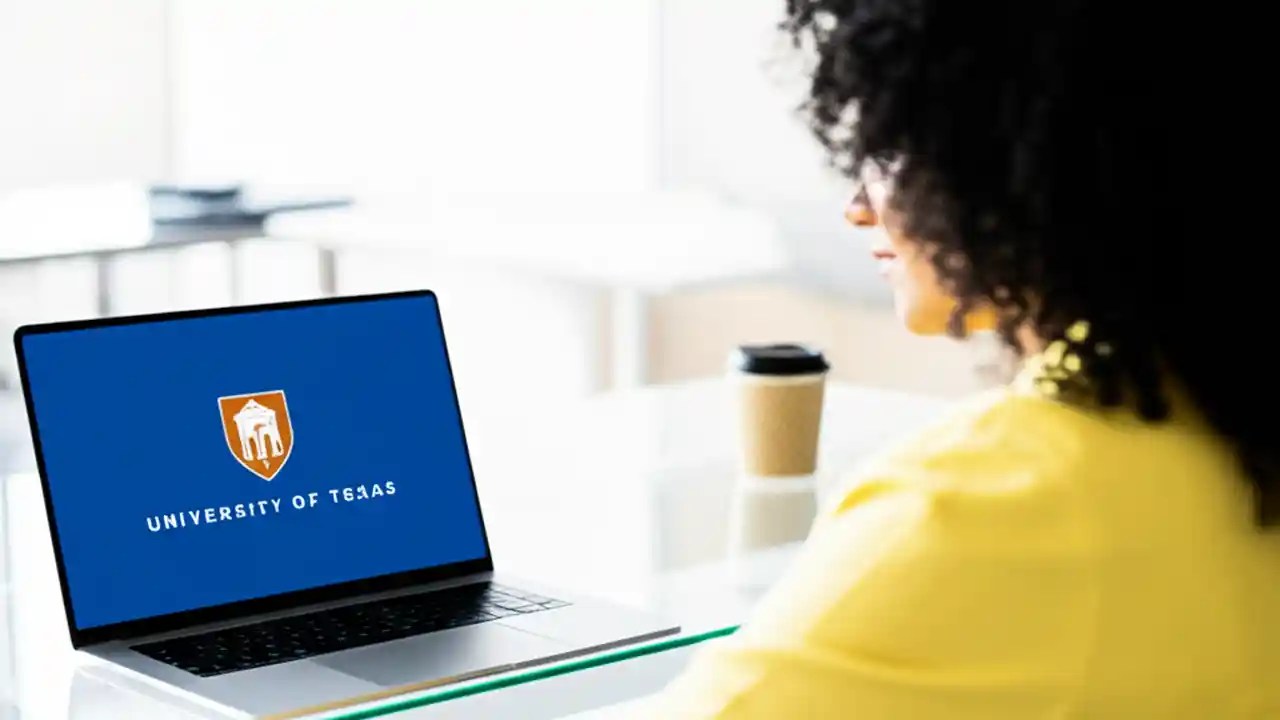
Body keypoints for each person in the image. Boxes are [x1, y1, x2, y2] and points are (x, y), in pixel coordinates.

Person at [630, 1, 1278, 717]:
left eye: (890, 148)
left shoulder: (992, 502)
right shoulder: (1224, 424)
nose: (858, 208)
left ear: (1013, 162)